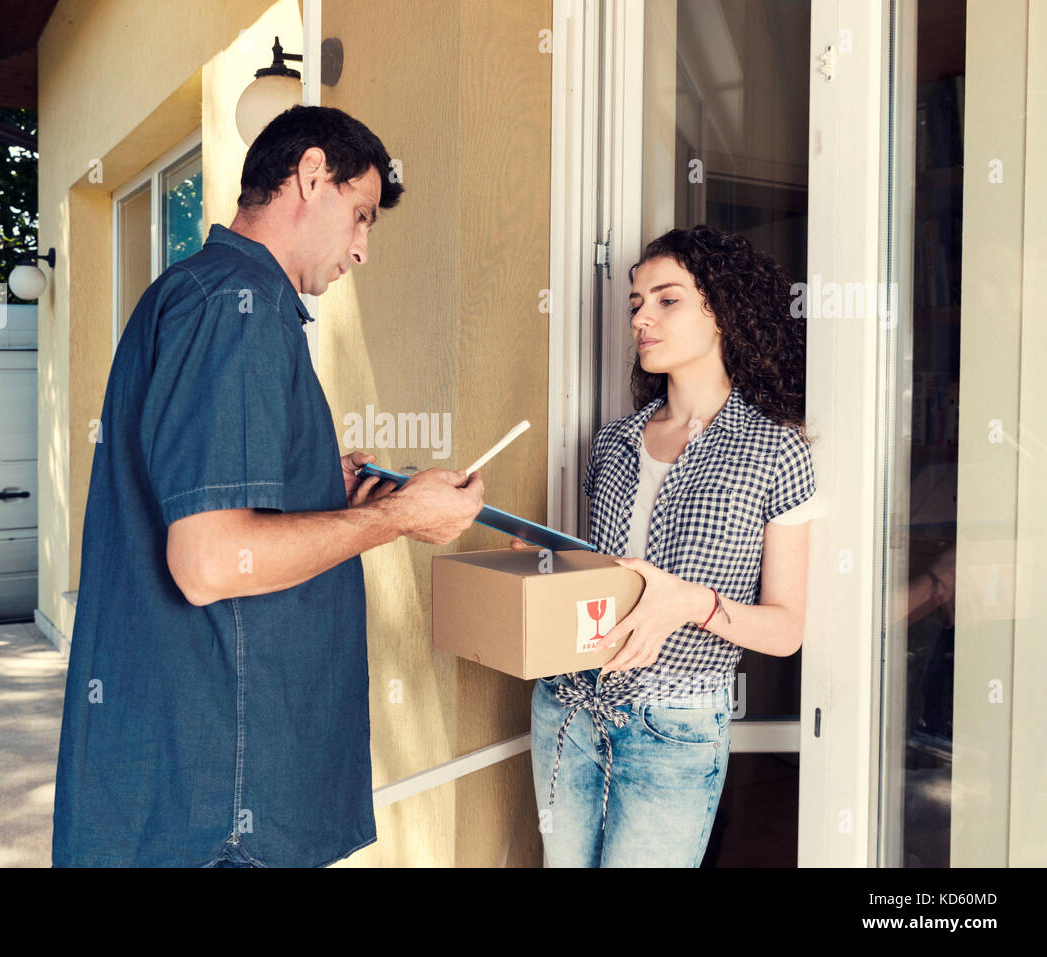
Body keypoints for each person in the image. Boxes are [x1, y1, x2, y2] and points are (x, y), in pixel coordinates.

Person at [52, 106, 485, 868]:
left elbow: (210, 503)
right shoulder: (236, 309)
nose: (361, 249)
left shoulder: (199, 294)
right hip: (223, 808)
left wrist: (321, 484)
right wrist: (400, 519)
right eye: (360, 215)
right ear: (311, 174)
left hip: (192, 789)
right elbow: (211, 560)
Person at [519, 224, 820, 867]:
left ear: (723, 311)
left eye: (667, 299)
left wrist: (689, 602)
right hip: (567, 708)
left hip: (674, 723)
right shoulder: (613, 442)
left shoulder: (775, 449)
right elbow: (595, 585)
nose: (642, 318)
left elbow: (786, 628)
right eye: (636, 304)